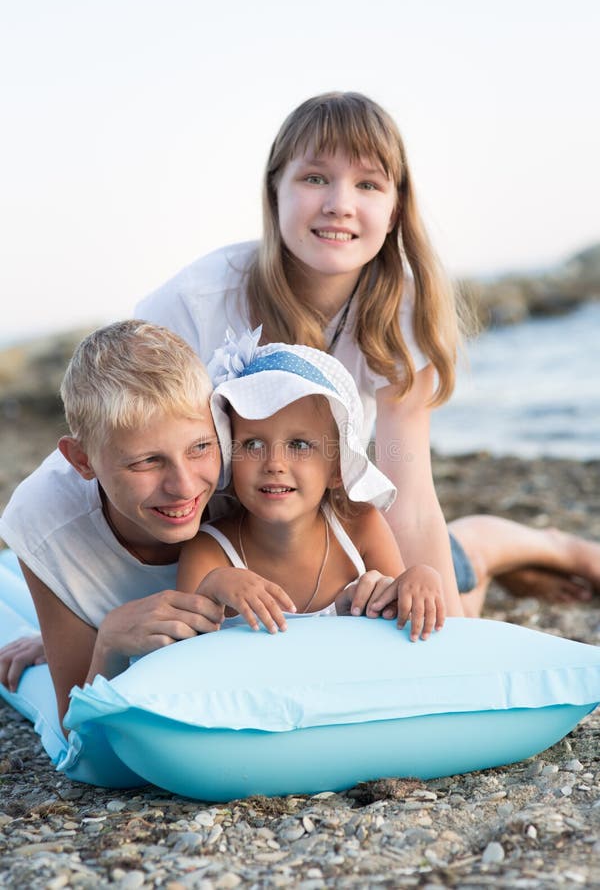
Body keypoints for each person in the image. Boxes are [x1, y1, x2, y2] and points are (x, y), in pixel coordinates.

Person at [134, 90, 600, 610]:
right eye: (314, 178)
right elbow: (117, 456)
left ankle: (549, 548)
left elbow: (411, 493)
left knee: (447, 603)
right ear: (275, 192)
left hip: (329, 528)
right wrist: (86, 618)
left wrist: (448, 647)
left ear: (396, 205)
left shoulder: (403, 306)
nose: (340, 203)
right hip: (230, 539)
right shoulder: (197, 302)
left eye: (368, 184)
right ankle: (485, 564)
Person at [0, 320, 290, 730]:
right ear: (82, 461)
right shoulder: (43, 522)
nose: (184, 486)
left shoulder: (248, 475)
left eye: (200, 447)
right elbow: (76, 730)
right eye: (147, 462)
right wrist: (106, 643)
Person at [177, 332, 446, 641]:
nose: (274, 463)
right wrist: (212, 590)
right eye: (252, 443)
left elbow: (402, 622)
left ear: (336, 471)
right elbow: (184, 658)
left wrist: (421, 577)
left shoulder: (360, 527)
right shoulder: (209, 552)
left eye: (299, 444)